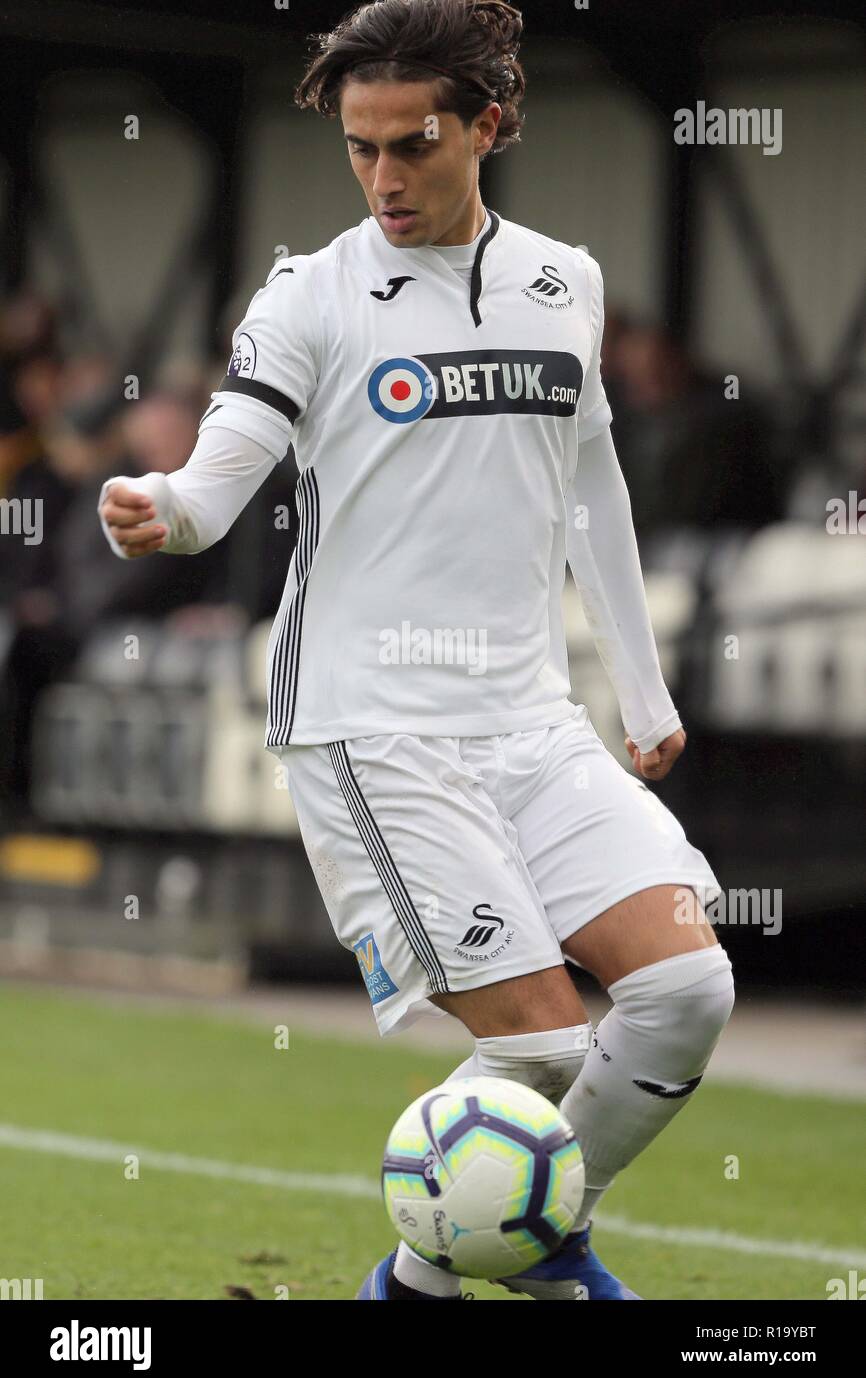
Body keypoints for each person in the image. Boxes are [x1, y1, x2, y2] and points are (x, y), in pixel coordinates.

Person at [98, 0, 734, 1302]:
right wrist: (161, 508)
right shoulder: (308, 296)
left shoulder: (564, 280)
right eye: (360, 148)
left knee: (682, 992)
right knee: (547, 1046)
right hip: (370, 727)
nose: (384, 177)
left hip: (529, 718)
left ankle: (466, 1257)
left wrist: (641, 685)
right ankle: (490, 1262)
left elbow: (589, 485)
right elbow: (221, 477)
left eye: (415, 143)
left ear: (487, 126)